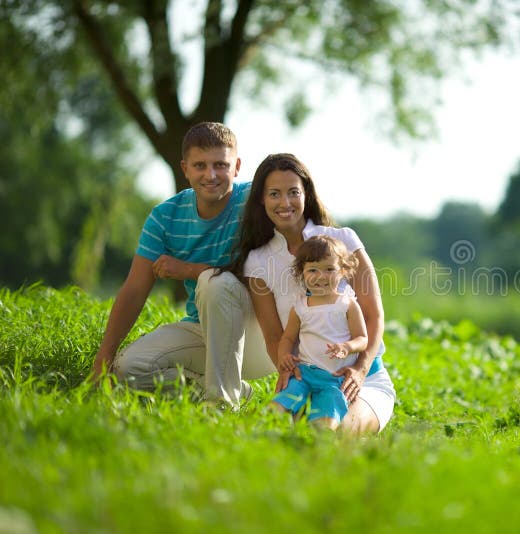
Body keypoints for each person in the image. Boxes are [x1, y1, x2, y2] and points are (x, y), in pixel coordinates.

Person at [90, 122, 274, 407]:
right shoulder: (165, 217)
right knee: (127, 369)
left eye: (220, 165)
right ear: (184, 168)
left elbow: (302, 241)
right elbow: (135, 289)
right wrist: (104, 356)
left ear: (236, 166)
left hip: (265, 333)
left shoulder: (257, 200)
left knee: (215, 283)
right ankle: (229, 390)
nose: (210, 175)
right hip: (205, 329)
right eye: (199, 165)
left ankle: (222, 407)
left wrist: (189, 270)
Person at [228, 153, 396, 433]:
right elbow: (273, 336)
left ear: (306, 194)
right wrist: (288, 372)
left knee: (337, 431)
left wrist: (361, 368)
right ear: (261, 199)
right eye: (274, 194)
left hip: (362, 377)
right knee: (289, 431)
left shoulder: (343, 240)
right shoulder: (257, 261)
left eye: (294, 192)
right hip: (305, 378)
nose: (285, 202)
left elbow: (373, 314)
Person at [271, 235, 368, 430]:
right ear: (302, 273)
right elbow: (288, 338)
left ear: (342, 271)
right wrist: (283, 356)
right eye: (313, 270)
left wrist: (347, 347)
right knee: (276, 409)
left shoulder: (347, 304)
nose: (321, 276)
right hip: (303, 375)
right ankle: (267, 435)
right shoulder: (300, 307)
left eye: (329, 269)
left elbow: (362, 338)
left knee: (325, 423)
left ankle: (318, 437)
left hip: (335, 380)